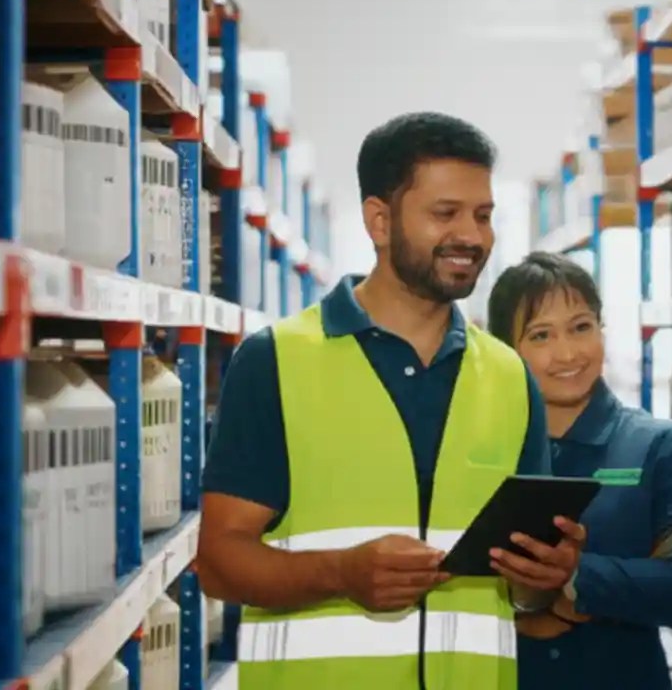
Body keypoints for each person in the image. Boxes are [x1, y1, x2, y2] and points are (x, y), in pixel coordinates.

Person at [196, 112, 583, 689]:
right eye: (445, 214)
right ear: (379, 220)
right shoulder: (275, 360)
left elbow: (525, 593)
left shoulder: (508, 375)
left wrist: (547, 574)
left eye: (483, 216)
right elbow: (219, 563)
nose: (472, 237)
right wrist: (340, 572)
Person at [486, 252, 672, 690]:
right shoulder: (479, 450)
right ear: (504, 349)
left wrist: (575, 579)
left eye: (581, 327)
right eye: (541, 335)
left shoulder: (661, 449)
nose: (568, 353)